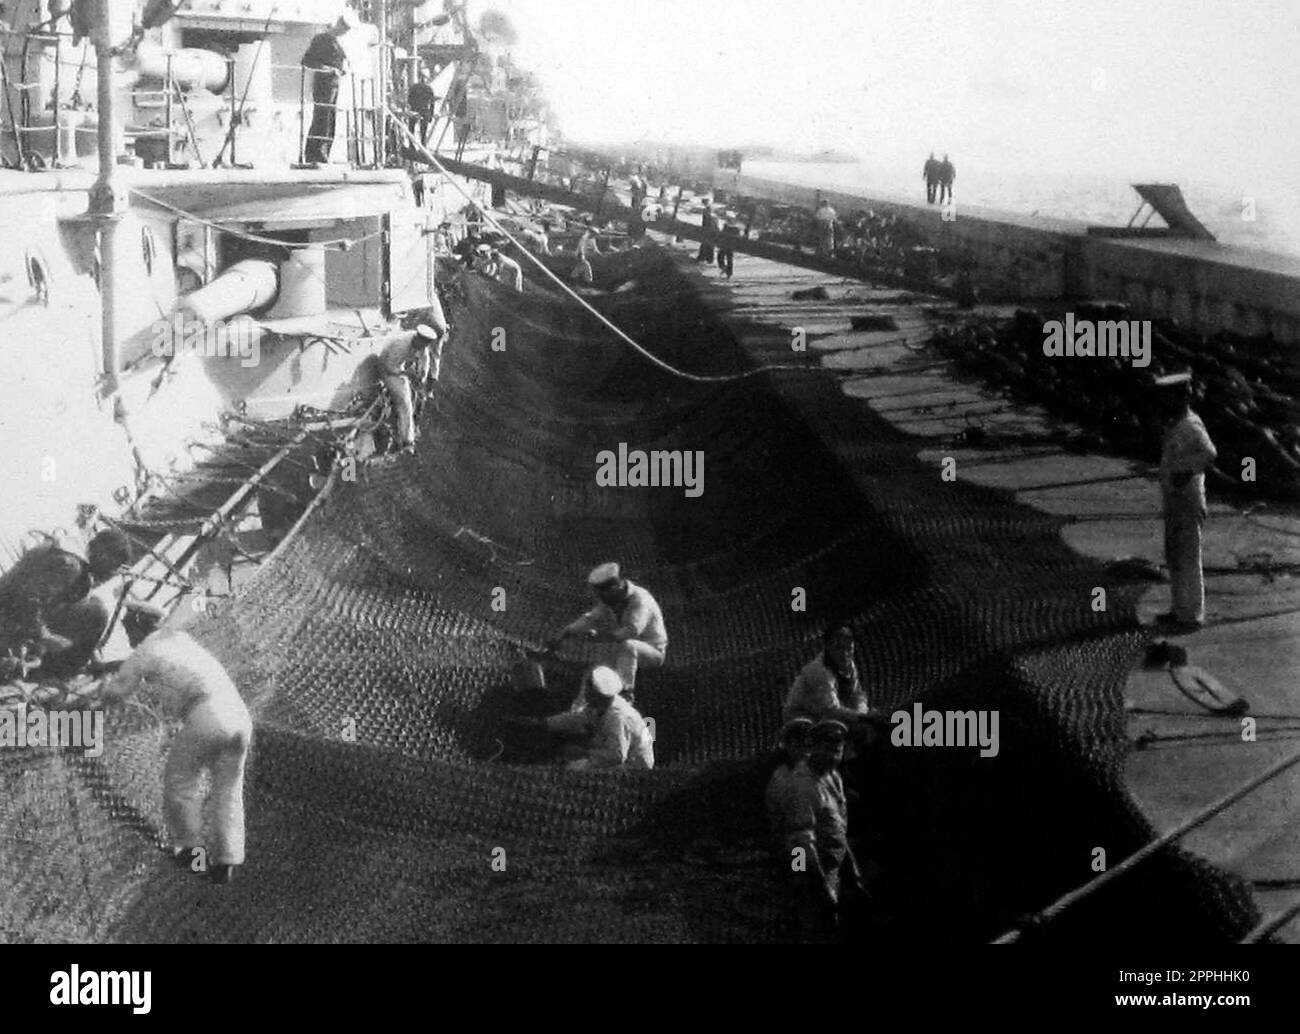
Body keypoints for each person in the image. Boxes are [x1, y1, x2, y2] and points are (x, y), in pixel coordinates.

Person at [102, 631, 251, 885]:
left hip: (207, 715)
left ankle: (193, 853)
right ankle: (227, 860)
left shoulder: (145, 649)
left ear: (137, 624)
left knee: (181, 782)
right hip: (239, 717)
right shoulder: (185, 642)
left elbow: (117, 692)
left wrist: (102, 687)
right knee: (228, 791)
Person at [768, 720, 864, 942]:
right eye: (827, 749)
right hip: (809, 869)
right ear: (813, 748)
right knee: (813, 925)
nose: (833, 756)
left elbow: (837, 825)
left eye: (837, 750)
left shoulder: (832, 776)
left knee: (831, 924)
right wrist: (807, 881)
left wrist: (851, 869)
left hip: (829, 868)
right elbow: (798, 842)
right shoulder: (802, 786)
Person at [41, 529, 164, 677]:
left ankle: (71, 666)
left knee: (95, 608)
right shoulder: (72, 568)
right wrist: (44, 636)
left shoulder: (81, 570)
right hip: (27, 629)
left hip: (40, 626)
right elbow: (31, 601)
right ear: (103, 555)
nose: (112, 573)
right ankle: (63, 672)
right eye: (113, 567)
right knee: (97, 612)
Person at [546, 562, 667, 701]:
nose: (604, 601)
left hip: (652, 651)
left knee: (629, 646)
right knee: (595, 671)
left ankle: (625, 693)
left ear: (616, 587)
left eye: (605, 595)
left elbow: (632, 631)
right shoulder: (610, 600)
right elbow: (590, 619)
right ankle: (580, 708)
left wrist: (601, 636)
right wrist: (565, 633)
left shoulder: (640, 599)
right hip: (621, 650)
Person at [1156, 372, 1218, 630]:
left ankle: (1191, 614)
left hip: (1187, 500)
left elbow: (1210, 453)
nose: (1165, 401)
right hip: (1174, 499)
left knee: (1189, 558)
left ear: (1182, 397)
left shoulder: (1191, 425)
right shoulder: (1175, 424)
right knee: (1175, 556)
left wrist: (1187, 471)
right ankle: (1179, 609)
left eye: (1170, 396)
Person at [525, 665, 655, 771]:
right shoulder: (599, 706)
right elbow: (577, 718)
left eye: (588, 689)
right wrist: (544, 723)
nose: (585, 691)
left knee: (572, 769)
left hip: (634, 766)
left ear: (596, 693)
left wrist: (584, 753)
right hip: (613, 755)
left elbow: (618, 755)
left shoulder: (617, 717)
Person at [783, 623, 871, 728]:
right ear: (828, 647)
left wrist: (862, 713)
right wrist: (862, 718)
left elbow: (857, 694)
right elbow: (830, 709)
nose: (845, 654)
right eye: (839, 648)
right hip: (802, 718)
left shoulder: (849, 665)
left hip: (828, 716)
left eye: (849, 649)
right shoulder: (818, 670)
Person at [377, 322, 446, 455]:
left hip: (398, 367)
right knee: (404, 402)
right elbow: (388, 366)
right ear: (417, 338)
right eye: (421, 345)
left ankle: (408, 429)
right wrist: (406, 374)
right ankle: (406, 440)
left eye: (425, 345)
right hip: (386, 368)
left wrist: (422, 377)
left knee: (411, 396)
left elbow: (425, 360)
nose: (422, 348)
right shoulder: (402, 345)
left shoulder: (421, 344)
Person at [301, 15, 351, 164]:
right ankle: (314, 155)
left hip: (334, 85)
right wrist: (329, 69)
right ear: (339, 25)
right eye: (344, 29)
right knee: (321, 119)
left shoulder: (336, 42)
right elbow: (307, 61)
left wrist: (342, 70)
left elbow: (341, 61)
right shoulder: (321, 39)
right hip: (323, 84)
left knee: (330, 121)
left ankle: (324, 155)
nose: (344, 33)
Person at [407, 65, 437, 148]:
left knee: (411, 128)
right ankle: (423, 145)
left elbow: (409, 99)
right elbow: (432, 103)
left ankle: (411, 144)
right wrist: (431, 114)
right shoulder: (429, 88)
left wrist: (412, 107)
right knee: (423, 130)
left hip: (415, 110)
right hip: (424, 110)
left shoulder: (414, 87)